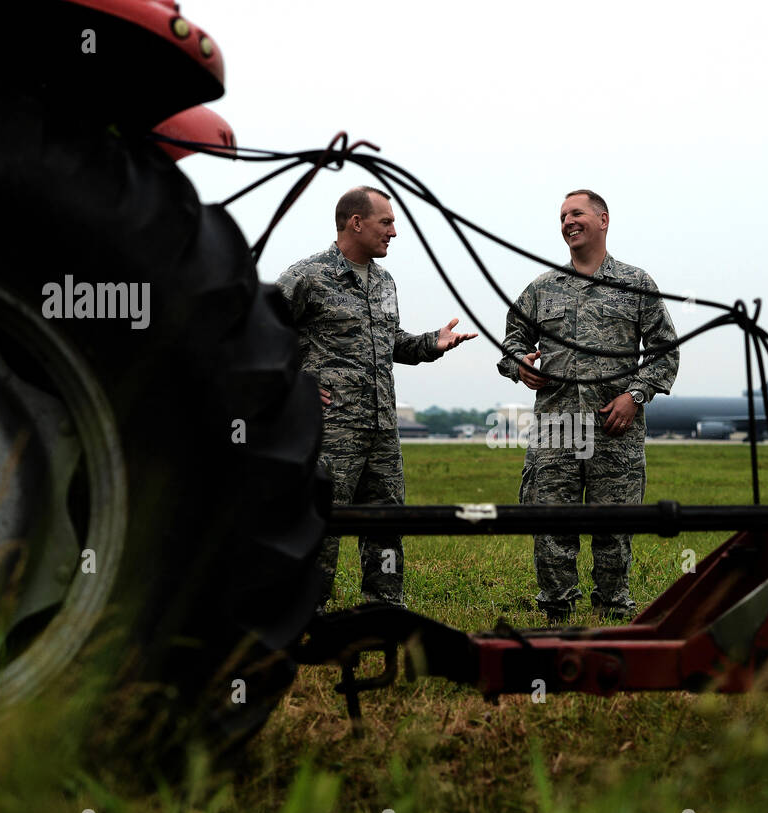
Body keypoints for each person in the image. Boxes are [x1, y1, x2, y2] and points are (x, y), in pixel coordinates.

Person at [277, 186, 476, 612]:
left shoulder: (385, 282)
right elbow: (257, 333)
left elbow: (391, 343)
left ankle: (384, 612)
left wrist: (431, 344)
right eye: (386, 222)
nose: (394, 232)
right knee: (320, 527)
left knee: (387, 527)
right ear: (356, 223)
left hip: (382, 432)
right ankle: (302, 615)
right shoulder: (307, 277)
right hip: (329, 434)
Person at [496, 189, 679, 623]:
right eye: (562, 216)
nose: (567, 222)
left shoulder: (635, 283)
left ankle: (613, 611)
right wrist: (519, 365)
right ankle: (556, 612)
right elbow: (511, 342)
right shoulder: (542, 289)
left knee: (613, 526)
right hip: (555, 428)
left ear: (603, 219)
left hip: (614, 427)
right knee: (550, 523)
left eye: (576, 213)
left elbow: (665, 349)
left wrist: (634, 396)